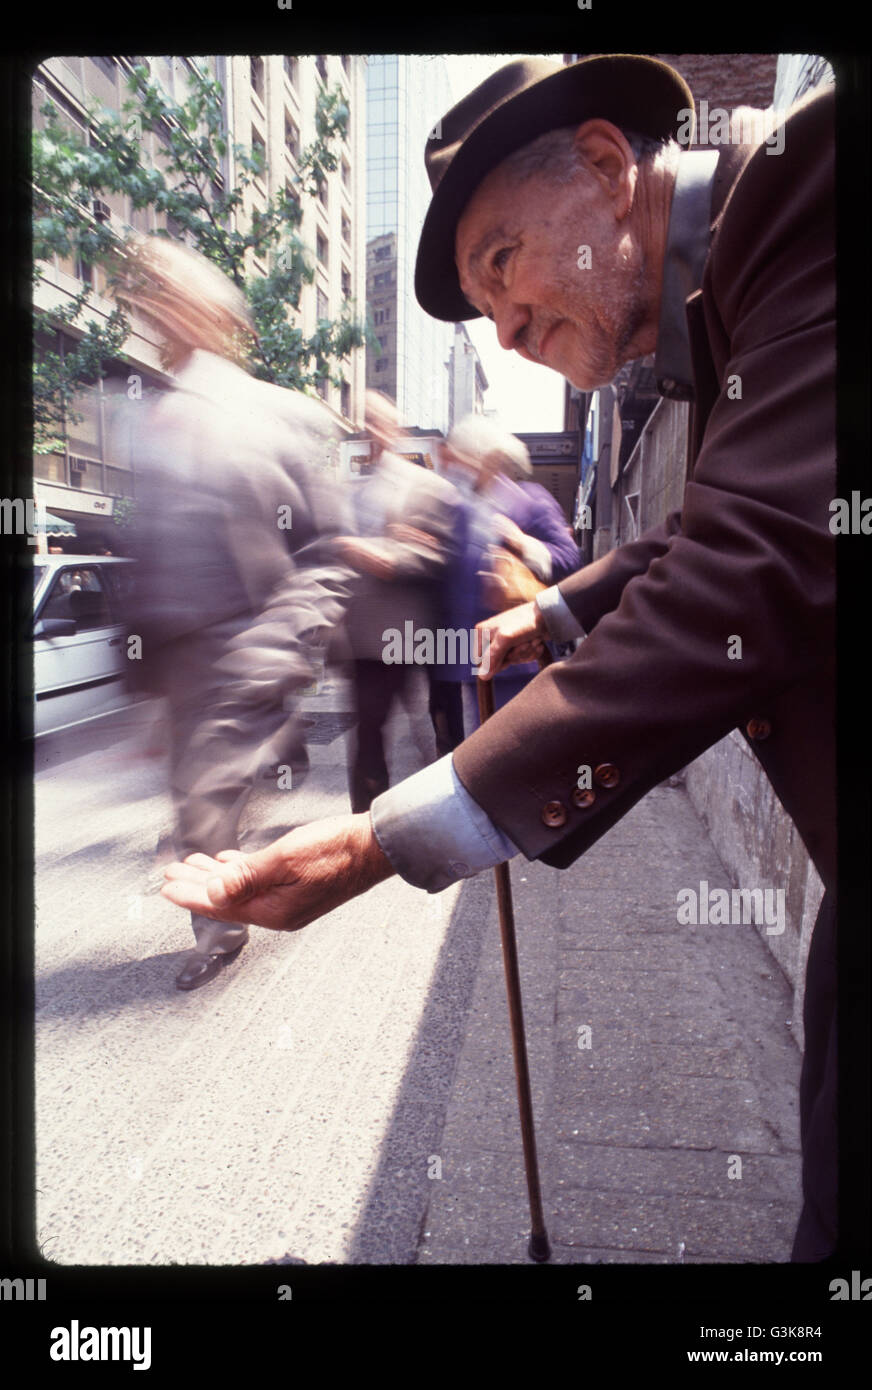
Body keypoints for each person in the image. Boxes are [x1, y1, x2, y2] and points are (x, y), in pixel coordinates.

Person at [160, 57, 837, 1257]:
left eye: (500, 265)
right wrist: (564, 612)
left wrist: (382, 839)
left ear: (598, 164)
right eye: (485, 305)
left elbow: (756, 559)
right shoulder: (728, 283)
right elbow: (727, 523)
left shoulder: (805, 188)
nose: (507, 329)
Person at [114, 233, 354, 991]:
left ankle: (222, 928)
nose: (157, 311)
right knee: (196, 792)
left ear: (221, 317)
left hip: (248, 642)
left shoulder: (284, 415)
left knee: (203, 797)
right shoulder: (150, 422)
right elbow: (145, 555)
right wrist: (146, 682)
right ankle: (244, 837)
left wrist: (288, 644)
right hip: (179, 656)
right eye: (146, 296)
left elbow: (328, 550)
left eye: (170, 294)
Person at [337, 390, 461, 811]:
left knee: (431, 737)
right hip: (365, 643)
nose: (374, 429)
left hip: (413, 637)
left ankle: (444, 818)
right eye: (367, 419)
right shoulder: (352, 492)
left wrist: (389, 559)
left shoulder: (428, 488)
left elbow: (440, 555)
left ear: (397, 429)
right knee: (368, 739)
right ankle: (365, 831)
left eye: (381, 421)